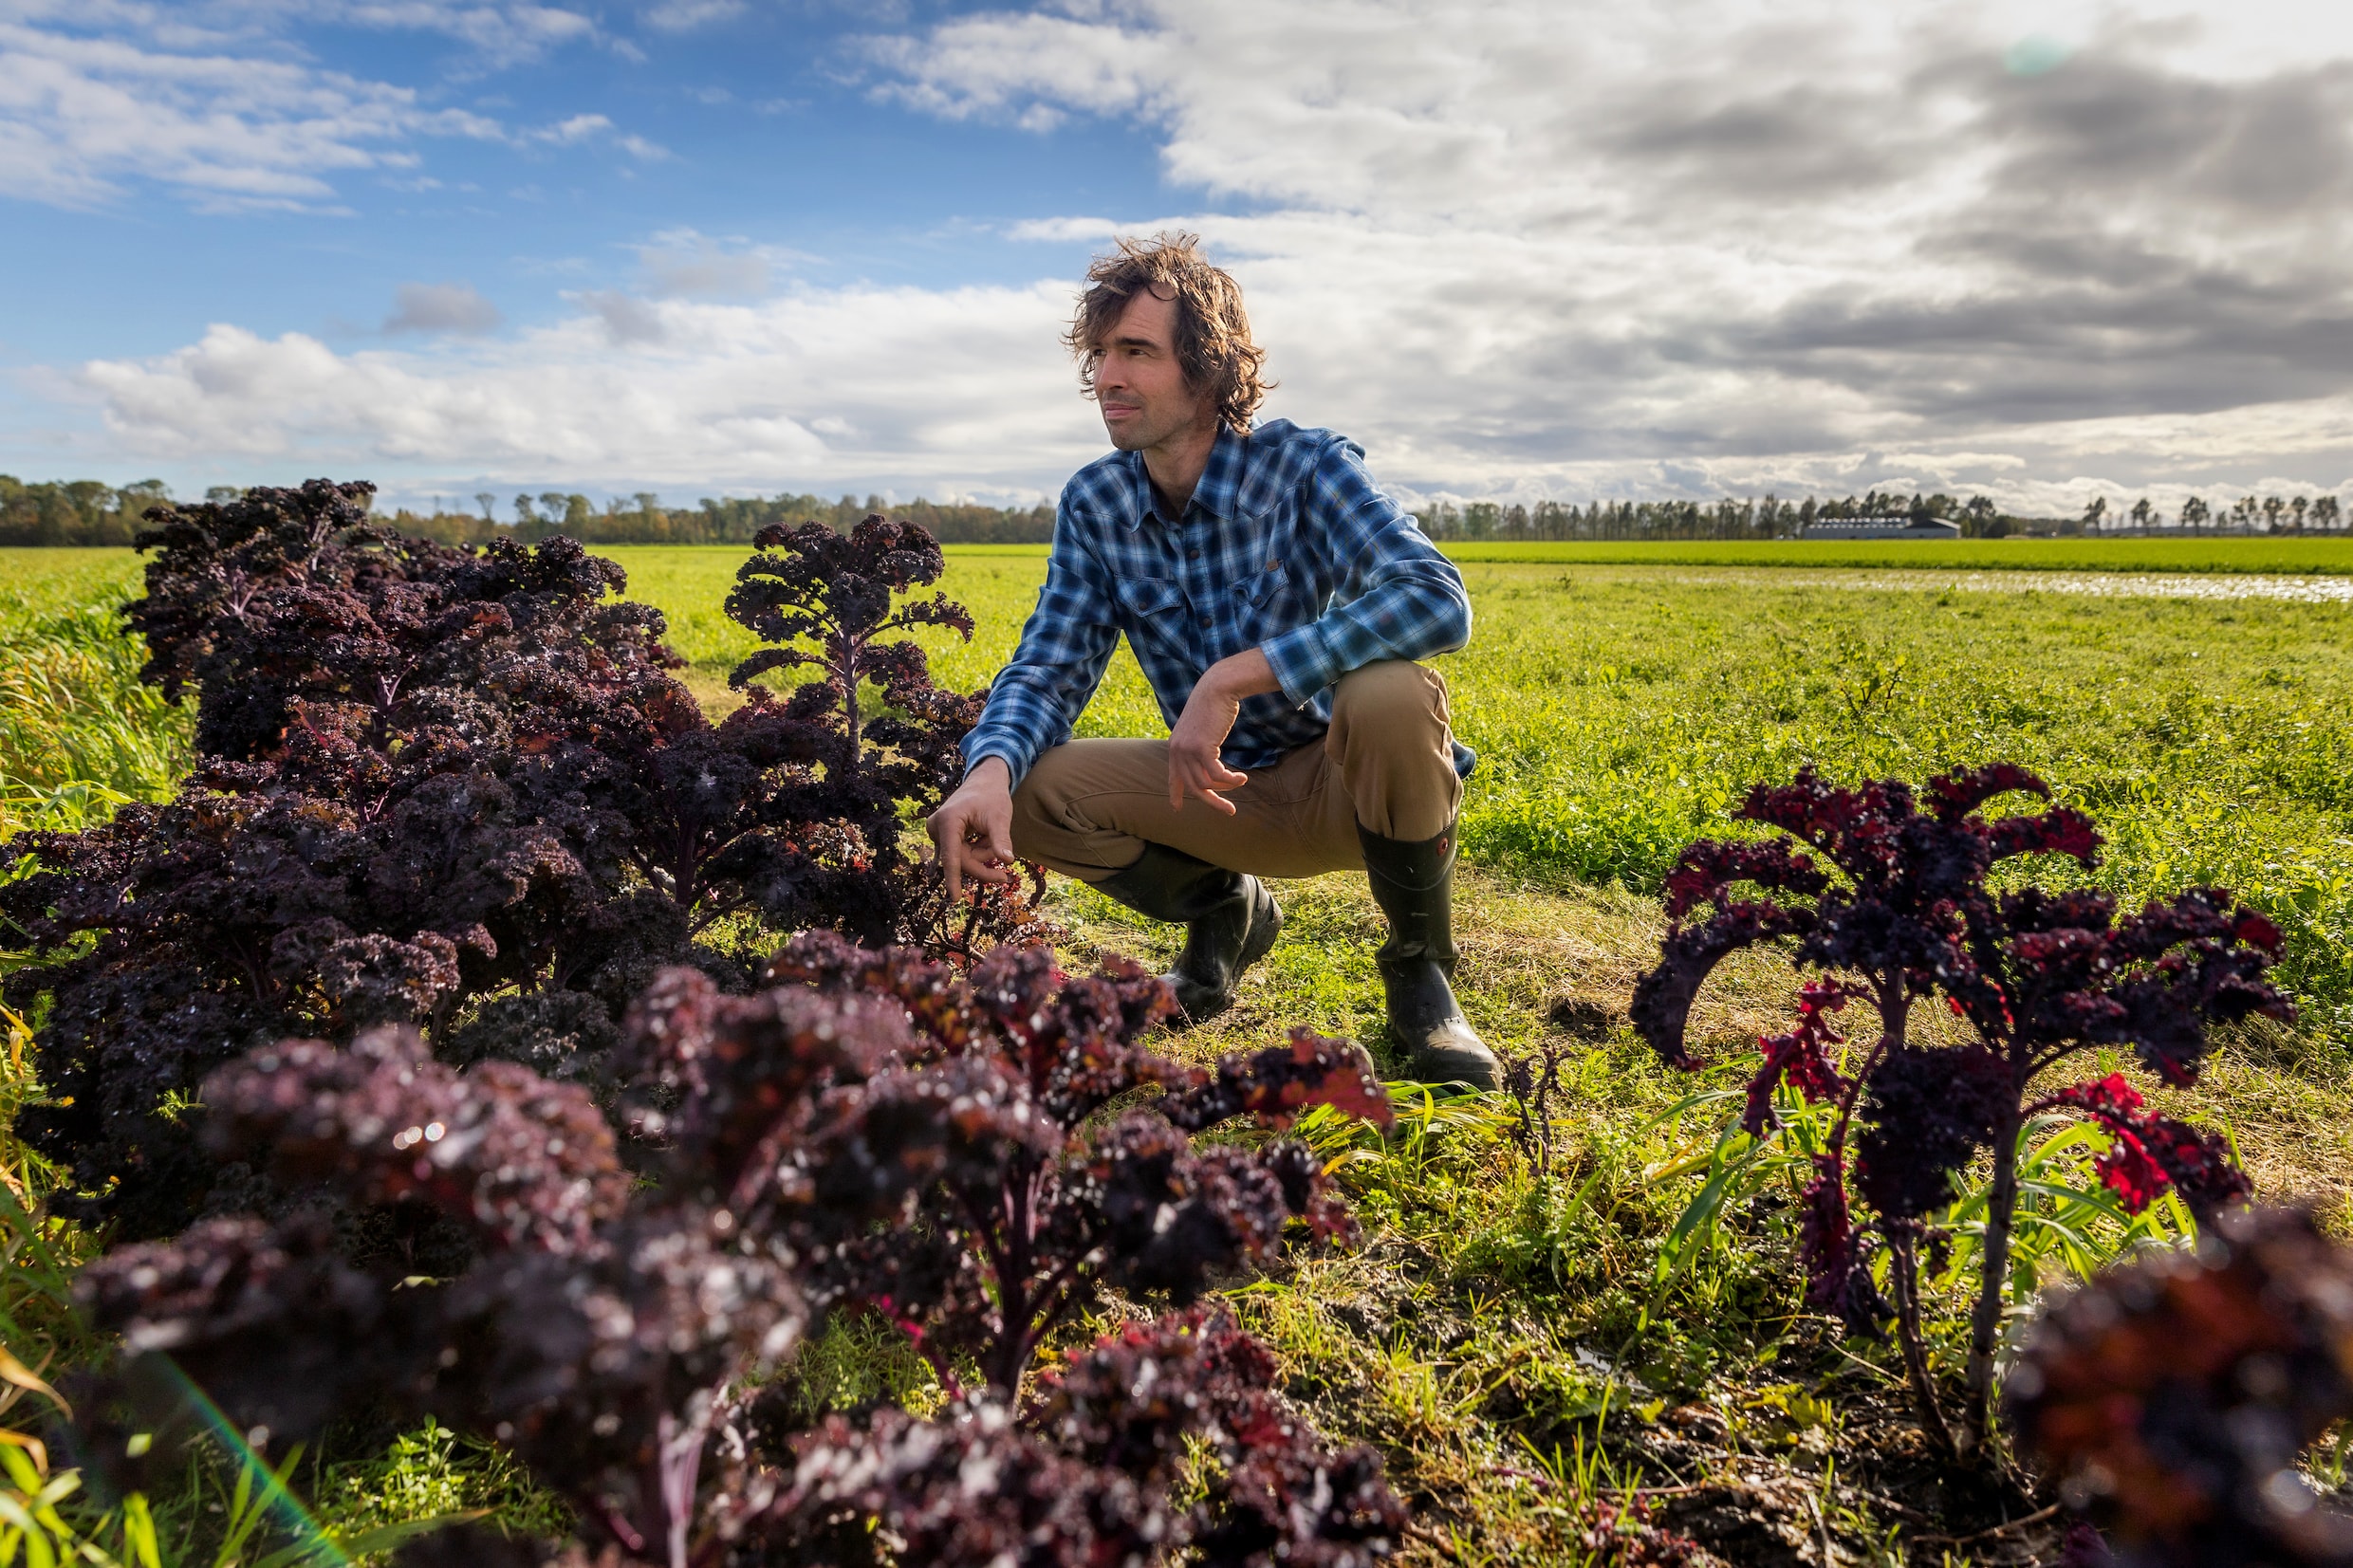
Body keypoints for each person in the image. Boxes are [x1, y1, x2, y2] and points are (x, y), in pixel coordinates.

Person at [925, 231, 1497, 1089]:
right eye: (1100, 354)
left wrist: (1236, 674)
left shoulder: (1304, 467)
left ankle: (1423, 978)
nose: (1107, 377)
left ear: (1206, 369)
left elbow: (1435, 596)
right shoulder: (1097, 502)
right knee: (1028, 786)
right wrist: (986, 771)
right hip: (1218, 794)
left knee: (1391, 691)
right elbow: (1048, 666)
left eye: (1136, 352)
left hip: (1348, 786)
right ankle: (1227, 912)